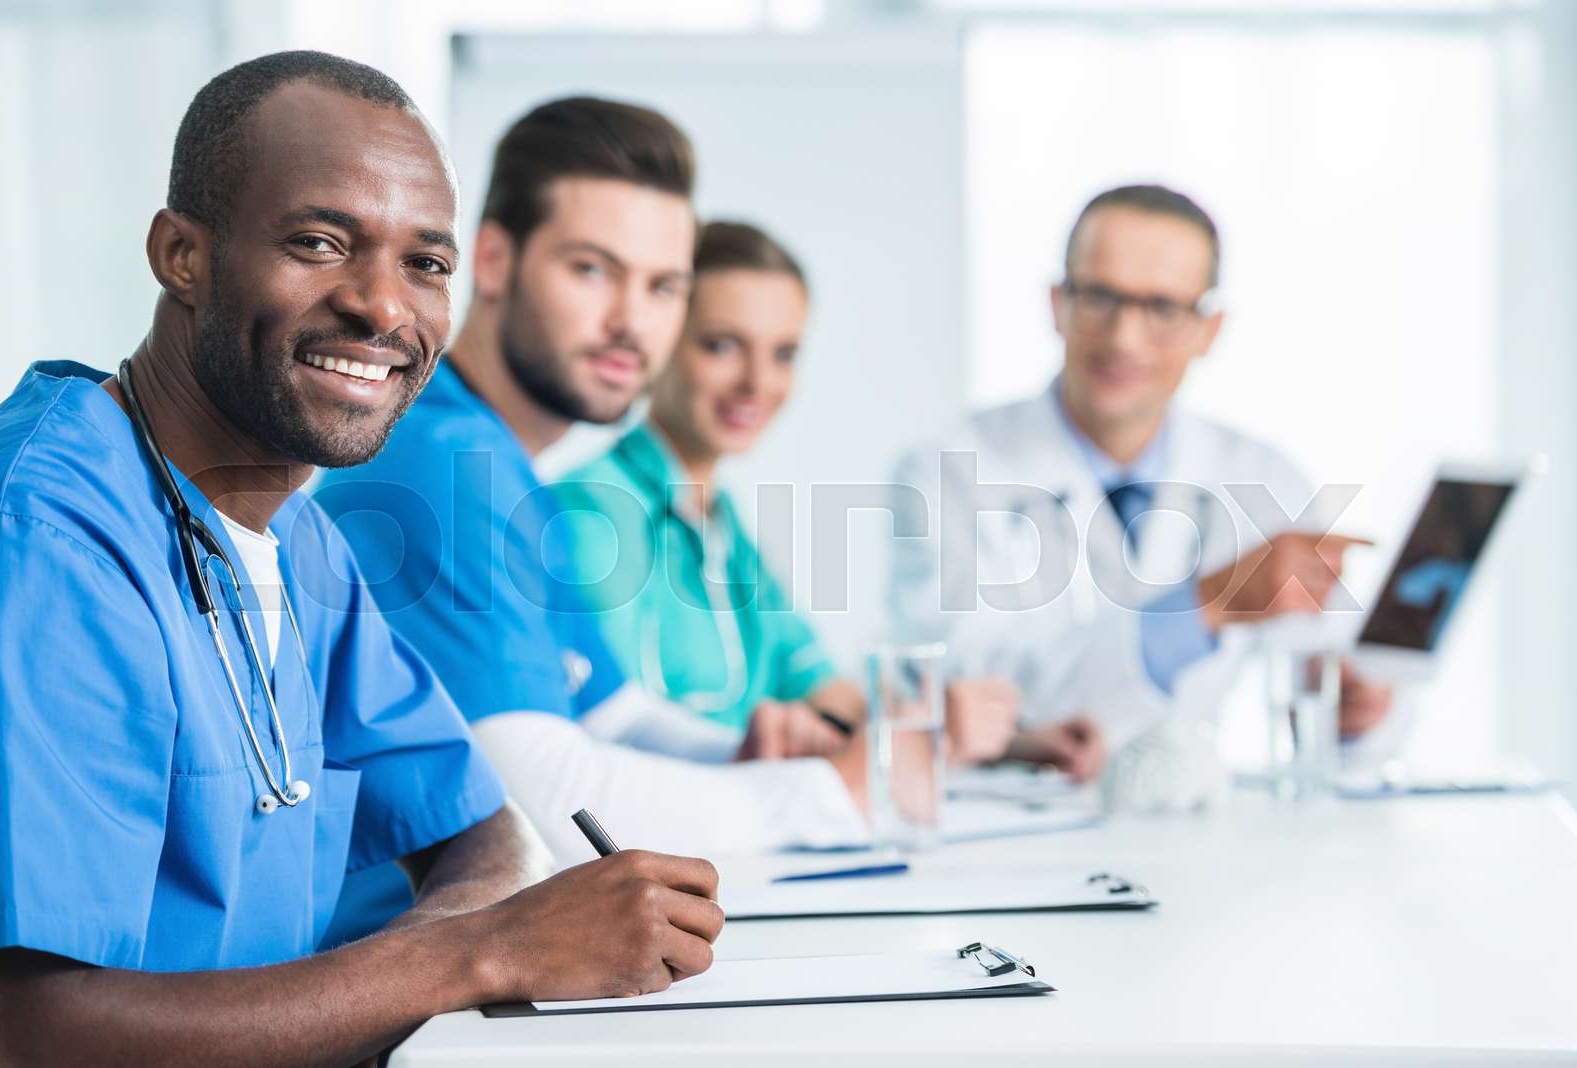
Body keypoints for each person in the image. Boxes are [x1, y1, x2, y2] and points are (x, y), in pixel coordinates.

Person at [0, 53, 722, 1067]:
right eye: (320, 243)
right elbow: (28, 1035)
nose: (381, 307)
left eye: (425, 264)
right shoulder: (49, 537)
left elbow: (486, 827)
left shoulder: (294, 535)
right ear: (181, 254)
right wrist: (477, 953)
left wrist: (464, 945)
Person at [318, 100, 1017, 877]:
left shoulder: (506, 470)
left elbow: (615, 719)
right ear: (492, 261)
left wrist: (744, 756)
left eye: (663, 287)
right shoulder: (447, 462)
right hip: (399, 944)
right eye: (592, 270)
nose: (630, 321)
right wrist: (833, 793)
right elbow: (537, 811)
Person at [889, 184, 1402, 782]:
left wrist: (1356, 713)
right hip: (1009, 817)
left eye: (1162, 308)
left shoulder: (1262, 477)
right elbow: (970, 692)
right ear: (1057, 304)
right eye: (1100, 297)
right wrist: (1209, 604)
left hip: (1194, 816)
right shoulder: (947, 471)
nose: (1124, 339)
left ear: (1209, 330)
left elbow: (1333, 684)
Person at [555, 220, 1020, 753]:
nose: (757, 383)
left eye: (783, 354)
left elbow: (821, 691)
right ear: (660, 339)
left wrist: (989, 735)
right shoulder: (590, 512)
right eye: (722, 346)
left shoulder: (722, 525)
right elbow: (616, 733)